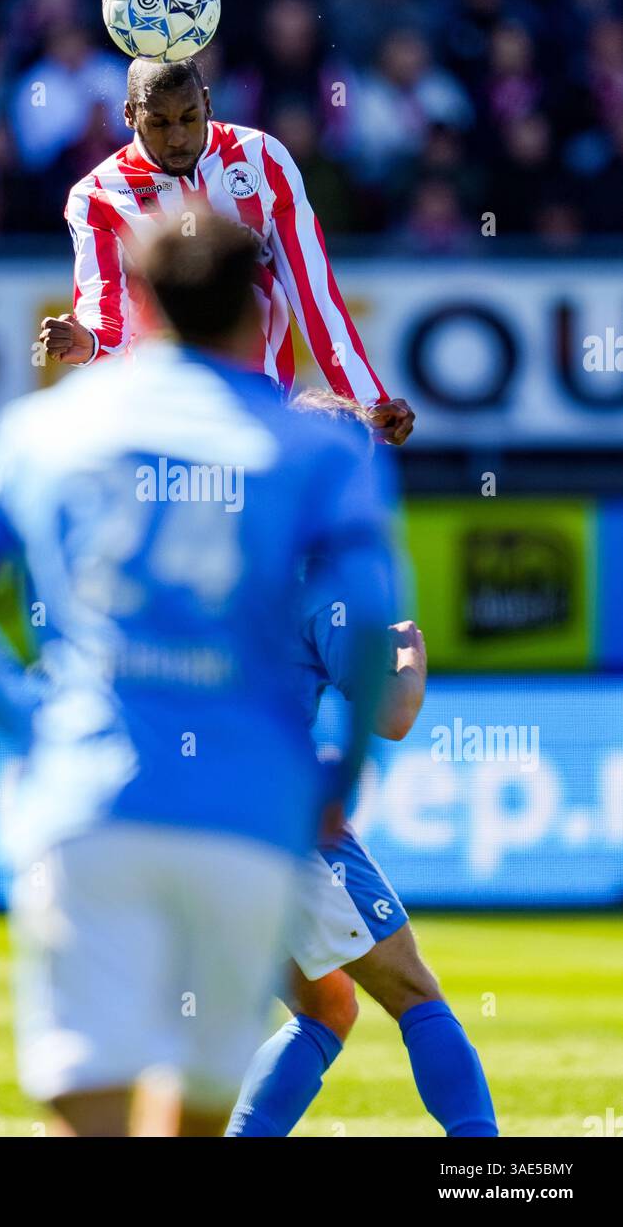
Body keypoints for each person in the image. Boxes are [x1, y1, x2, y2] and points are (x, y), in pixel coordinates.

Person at [0, 213, 399, 1137]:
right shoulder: (319, 450)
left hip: (86, 806)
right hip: (251, 814)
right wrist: (341, 776)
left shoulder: (48, 425)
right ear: (258, 306)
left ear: (143, 303)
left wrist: (30, 727)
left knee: (88, 1109)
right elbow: (366, 628)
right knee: (196, 1112)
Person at [227, 390, 497, 1139]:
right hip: (275, 807)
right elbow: (393, 715)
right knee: (413, 991)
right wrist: (409, 650)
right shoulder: (327, 573)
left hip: (180, 803)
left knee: (328, 1006)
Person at [39, 55, 415, 445]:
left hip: (259, 398)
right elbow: (104, 315)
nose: (177, 138)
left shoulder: (263, 159)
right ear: (130, 115)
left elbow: (313, 291)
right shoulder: (96, 196)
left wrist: (369, 399)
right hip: (160, 412)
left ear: (207, 103)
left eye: (189, 117)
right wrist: (89, 343)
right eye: (159, 123)